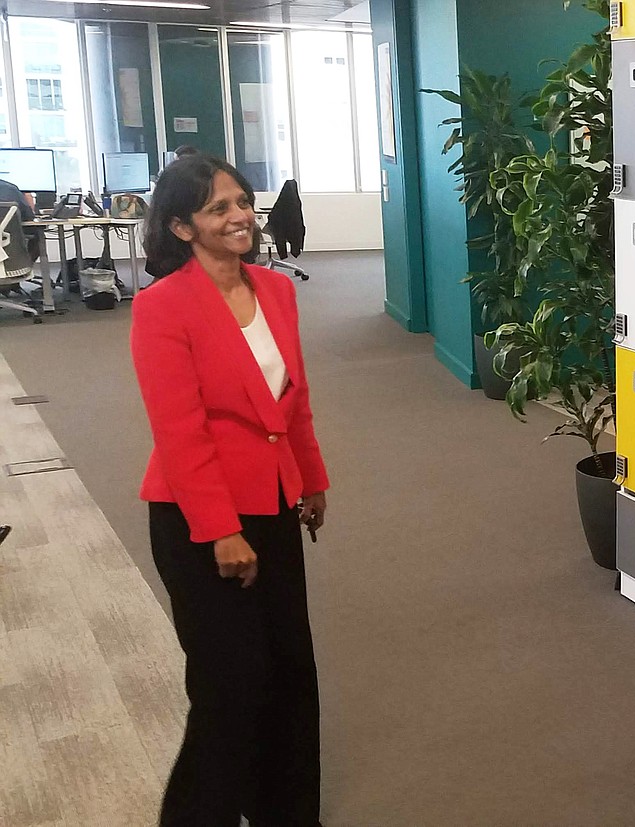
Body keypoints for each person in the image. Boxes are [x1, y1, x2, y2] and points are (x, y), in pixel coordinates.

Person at [131, 154, 329, 827]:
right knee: (230, 684)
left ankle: (287, 814)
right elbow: (179, 431)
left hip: (273, 500)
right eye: (219, 208)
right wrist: (220, 529)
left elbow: (292, 400)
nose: (240, 215)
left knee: (290, 671)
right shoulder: (162, 306)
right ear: (182, 227)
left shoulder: (275, 291)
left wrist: (311, 479)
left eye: (242, 201)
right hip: (197, 518)